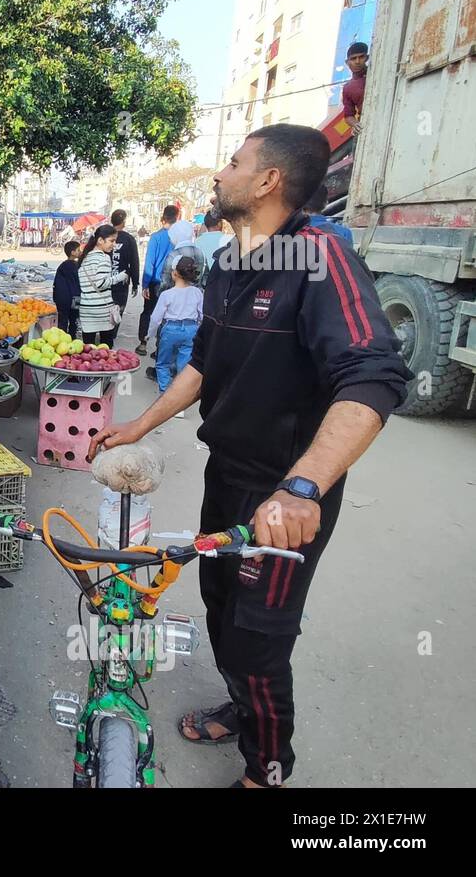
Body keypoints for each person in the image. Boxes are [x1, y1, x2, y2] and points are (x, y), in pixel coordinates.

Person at [89, 124, 410, 788]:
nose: (220, 173)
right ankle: (244, 709)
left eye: (234, 163)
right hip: (226, 473)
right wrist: (138, 425)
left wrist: (302, 487)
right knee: (218, 601)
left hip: (283, 491)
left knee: (260, 635)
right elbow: (201, 367)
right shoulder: (231, 260)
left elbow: (373, 378)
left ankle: (268, 769)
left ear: (267, 181)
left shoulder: (322, 257)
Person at [146, 255, 203, 397]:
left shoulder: (167, 294)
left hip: (171, 329)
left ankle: (165, 396)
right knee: (184, 367)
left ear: (175, 273)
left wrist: (150, 334)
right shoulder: (197, 292)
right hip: (191, 329)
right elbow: (202, 314)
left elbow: (155, 318)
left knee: (163, 363)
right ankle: (180, 399)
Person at [76, 224, 126, 348]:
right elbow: (101, 283)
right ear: (100, 240)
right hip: (101, 310)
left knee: (87, 350)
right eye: (111, 240)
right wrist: (119, 277)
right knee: (106, 352)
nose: (114, 244)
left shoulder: (85, 258)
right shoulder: (104, 258)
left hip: (86, 309)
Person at [138, 205, 177, 355]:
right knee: (167, 314)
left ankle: (143, 343)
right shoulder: (177, 238)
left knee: (148, 312)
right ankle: (160, 347)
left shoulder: (156, 237)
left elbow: (150, 262)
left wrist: (145, 285)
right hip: (172, 282)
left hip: (155, 281)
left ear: (163, 219)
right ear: (177, 218)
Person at [109, 209, 140, 330]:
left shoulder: (104, 235)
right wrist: (135, 283)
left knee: (104, 306)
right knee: (118, 308)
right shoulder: (129, 239)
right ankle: (112, 333)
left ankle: (104, 332)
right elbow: (134, 262)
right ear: (123, 221)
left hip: (105, 280)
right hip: (121, 282)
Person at [52, 241, 82, 338]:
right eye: (78, 250)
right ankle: (72, 339)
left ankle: (62, 340)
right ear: (72, 252)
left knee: (63, 321)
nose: (80, 252)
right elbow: (78, 282)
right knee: (73, 320)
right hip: (74, 298)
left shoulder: (63, 266)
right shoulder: (75, 266)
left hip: (62, 299)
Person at [194, 209, 232, 278]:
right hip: (224, 281)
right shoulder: (229, 240)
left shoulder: (198, 241)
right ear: (219, 224)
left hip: (205, 281)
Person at [342, 42, 369, 135]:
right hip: (366, 125)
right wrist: (356, 124)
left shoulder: (376, 75)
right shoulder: (348, 88)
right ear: (347, 62)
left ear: (367, 58)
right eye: (353, 58)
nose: (357, 61)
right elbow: (348, 115)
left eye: (361, 57)